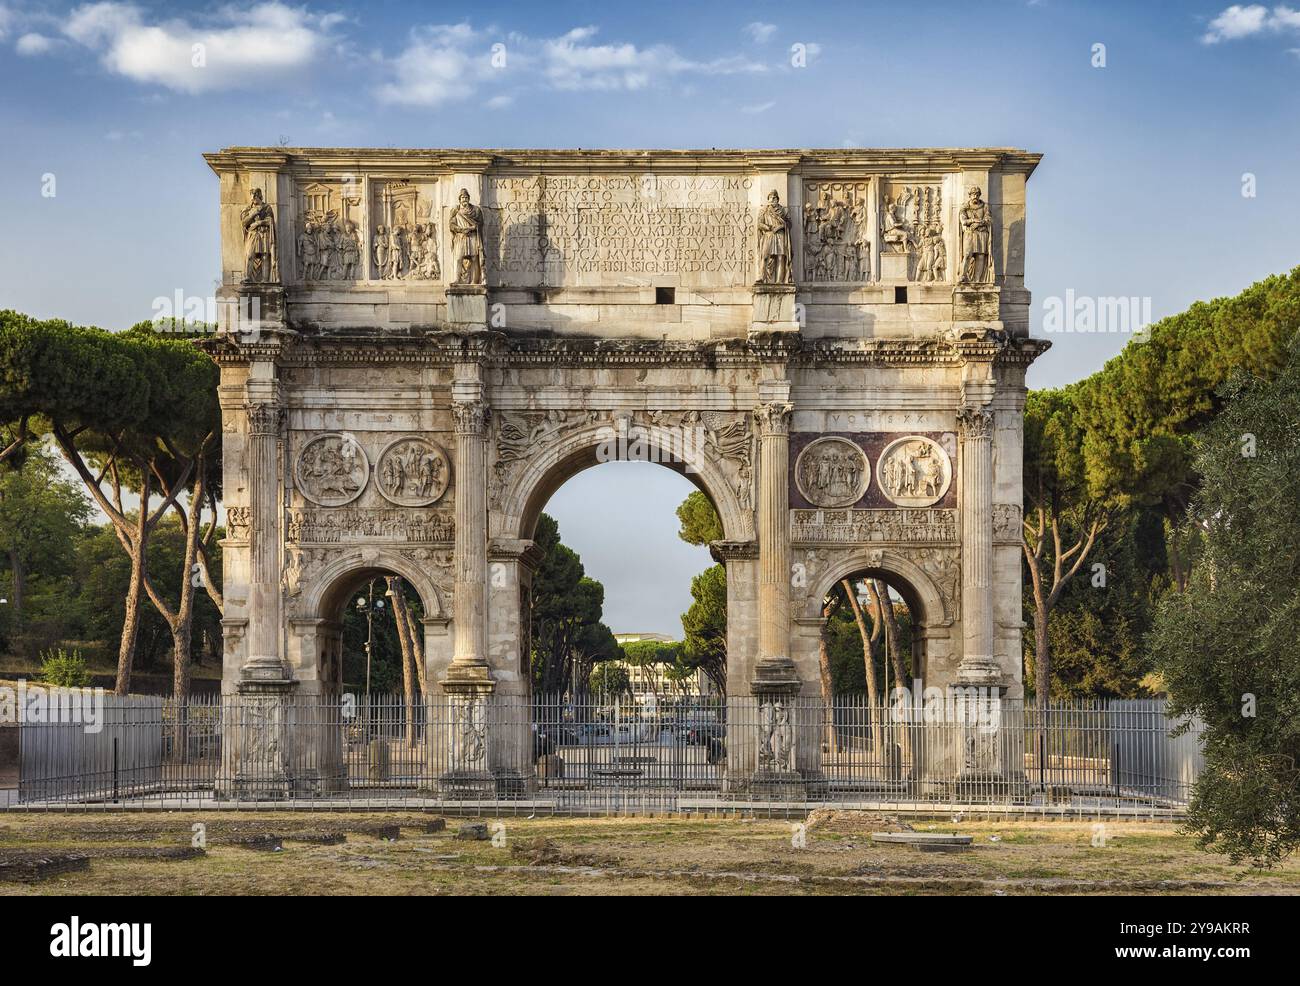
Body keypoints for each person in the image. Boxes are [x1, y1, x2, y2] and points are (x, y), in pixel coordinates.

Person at [449, 188, 485, 284]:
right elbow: (451, 225)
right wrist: (460, 229)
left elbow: (480, 223)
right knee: (458, 258)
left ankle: (474, 281)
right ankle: (457, 279)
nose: (464, 199)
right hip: (461, 237)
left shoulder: (475, 210)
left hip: (472, 236)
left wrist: (472, 228)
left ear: (469, 198)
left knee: (474, 258)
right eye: (462, 197)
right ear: (459, 199)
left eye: (466, 197)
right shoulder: (455, 210)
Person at [755, 190, 792, 284]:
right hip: (768, 235)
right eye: (770, 197)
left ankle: (780, 281)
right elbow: (759, 224)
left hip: (780, 235)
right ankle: (761, 278)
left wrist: (781, 226)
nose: (772, 199)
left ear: (777, 199)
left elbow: (789, 223)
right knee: (764, 256)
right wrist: (768, 227)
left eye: (774, 197)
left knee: (780, 257)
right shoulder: (764, 210)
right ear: (768, 199)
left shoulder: (783, 210)